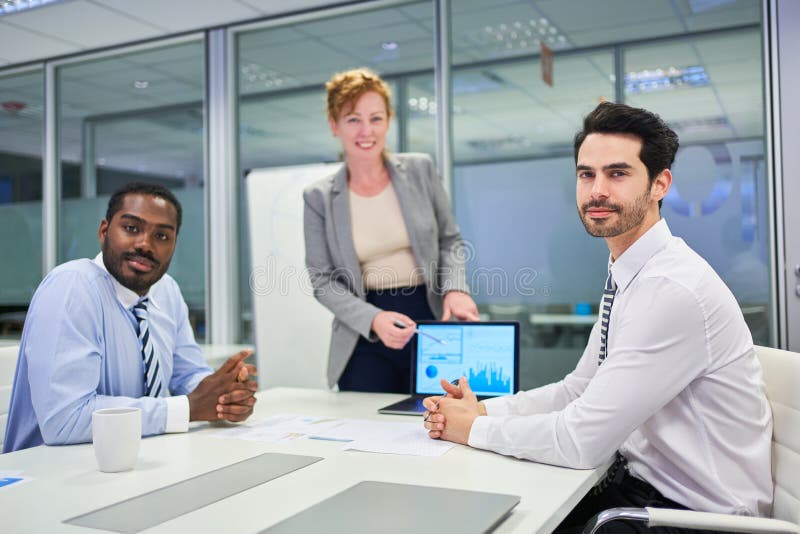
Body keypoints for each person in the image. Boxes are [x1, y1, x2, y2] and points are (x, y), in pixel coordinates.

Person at [423, 102, 772, 532]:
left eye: (617, 173)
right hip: (639, 488)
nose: (597, 190)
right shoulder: (631, 272)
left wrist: (472, 429)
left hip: (697, 518)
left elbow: (581, 441)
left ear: (660, 184)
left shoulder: (671, 289)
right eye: (587, 174)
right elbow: (578, 390)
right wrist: (484, 412)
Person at [3, 182, 258, 453]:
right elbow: (65, 420)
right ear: (104, 231)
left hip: (135, 460)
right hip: (50, 474)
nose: (145, 244)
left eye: (162, 236)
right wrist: (188, 408)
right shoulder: (73, 287)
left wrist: (223, 396)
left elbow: (188, 372)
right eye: (131, 228)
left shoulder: (166, 290)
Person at [304, 67, 479, 393]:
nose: (366, 130)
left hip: (430, 317)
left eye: (376, 118)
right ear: (334, 125)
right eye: (353, 119)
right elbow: (321, 279)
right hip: (364, 327)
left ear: (388, 120)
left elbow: (449, 239)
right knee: (368, 433)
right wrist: (373, 319)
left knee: (439, 425)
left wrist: (456, 288)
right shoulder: (319, 197)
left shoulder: (420, 170)